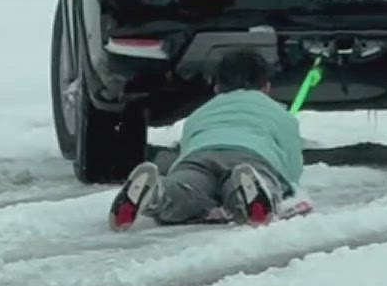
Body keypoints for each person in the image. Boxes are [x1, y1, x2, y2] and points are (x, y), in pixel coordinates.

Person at [109, 48, 303, 229]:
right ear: (266, 87)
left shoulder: (201, 113)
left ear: (217, 88)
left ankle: (157, 194)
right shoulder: (278, 113)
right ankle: (248, 196)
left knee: (188, 190)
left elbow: (187, 145)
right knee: (248, 185)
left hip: (199, 156)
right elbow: (293, 164)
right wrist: (287, 184)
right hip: (252, 155)